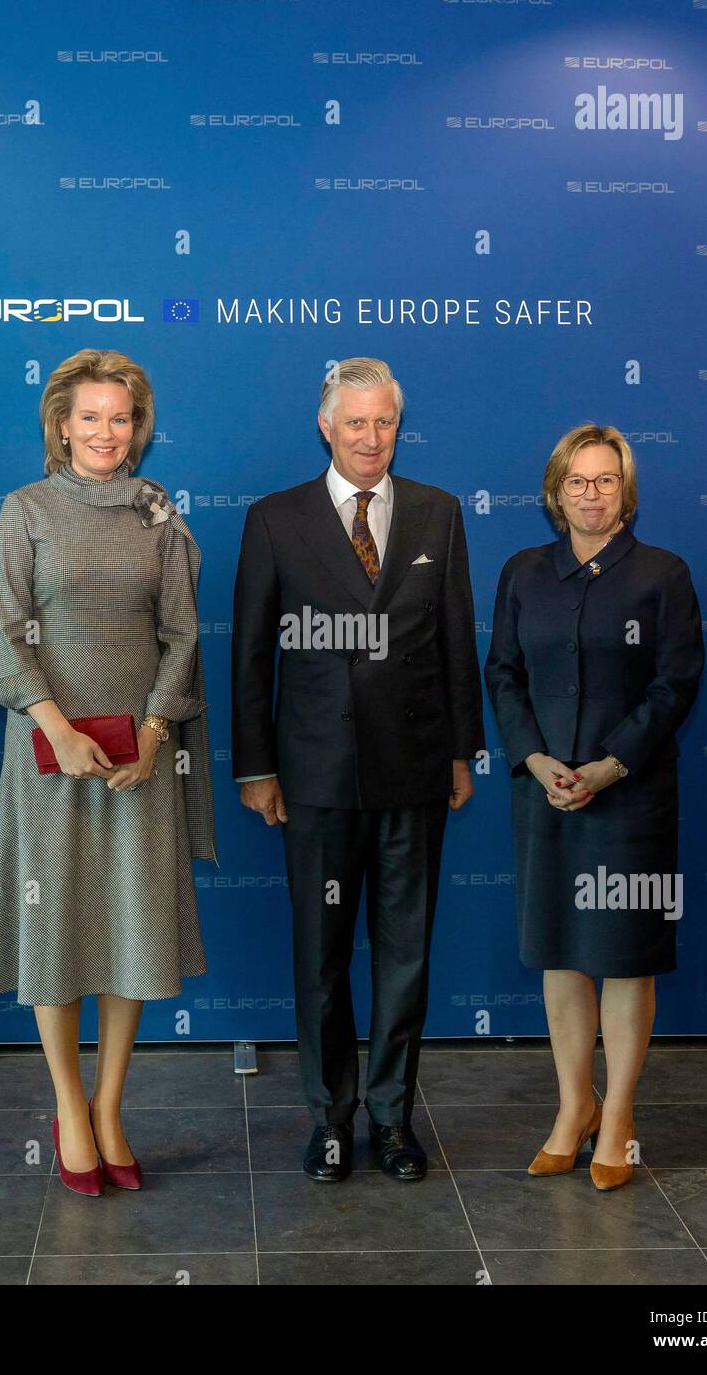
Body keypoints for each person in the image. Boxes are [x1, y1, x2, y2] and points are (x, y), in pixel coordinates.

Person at [0, 348, 215, 1196]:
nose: (107, 432)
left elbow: (181, 633)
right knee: (58, 925)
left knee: (130, 925)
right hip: (47, 757)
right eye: (91, 417)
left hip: (139, 757)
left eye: (122, 418)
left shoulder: (157, 513)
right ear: (61, 425)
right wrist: (55, 728)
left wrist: (153, 732)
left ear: (139, 426)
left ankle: (111, 1105)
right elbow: (7, 631)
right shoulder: (25, 509)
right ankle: (69, 1108)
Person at [232, 357, 484, 1182]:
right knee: (322, 957)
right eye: (356, 423)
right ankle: (330, 1120)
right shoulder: (275, 519)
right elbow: (251, 656)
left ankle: (392, 1120)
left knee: (405, 955)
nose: (370, 438)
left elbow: (455, 640)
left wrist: (460, 751)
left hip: (413, 773)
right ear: (325, 426)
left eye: (384, 423)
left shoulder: (438, 514)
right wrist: (256, 768)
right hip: (314, 778)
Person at [484, 423, 703, 1190]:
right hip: (544, 793)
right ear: (554, 492)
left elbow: (674, 686)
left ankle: (618, 1119)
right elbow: (503, 674)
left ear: (626, 492)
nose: (590, 493)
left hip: (630, 797)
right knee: (561, 953)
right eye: (577, 480)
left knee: (624, 959)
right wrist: (537, 760)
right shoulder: (522, 573)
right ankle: (574, 1107)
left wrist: (609, 767)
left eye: (605, 480)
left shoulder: (663, 575)